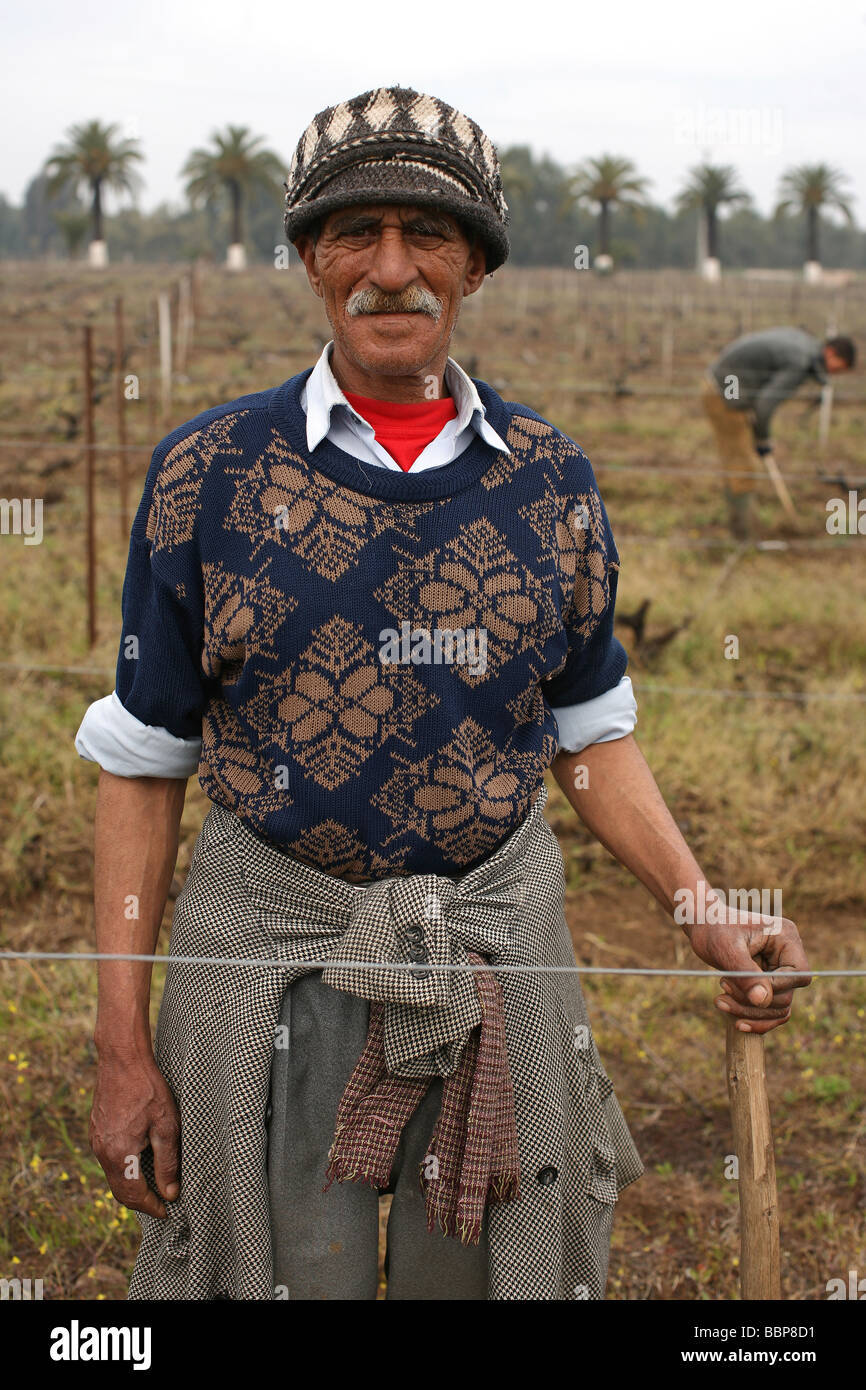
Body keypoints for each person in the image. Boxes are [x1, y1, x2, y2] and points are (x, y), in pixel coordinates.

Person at [75, 86, 812, 1302]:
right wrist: (118, 1048)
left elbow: (588, 737)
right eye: (352, 233)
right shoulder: (205, 473)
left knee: (485, 1277)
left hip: (492, 954)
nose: (391, 268)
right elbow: (144, 760)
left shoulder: (551, 480)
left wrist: (703, 910)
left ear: (477, 266)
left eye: (429, 235)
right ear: (309, 259)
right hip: (269, 956)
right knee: (268, 1270)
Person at [702, 326, 855, 538]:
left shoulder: (806, 346)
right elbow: (765, 405)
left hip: (729, 385)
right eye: (838, 368)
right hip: (726, 390)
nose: (835, 374)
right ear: (831, 353)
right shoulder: (800, 362)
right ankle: (743, 535)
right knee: (741, 464)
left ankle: (742, 525)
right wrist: (763, 439)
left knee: (739, 460)